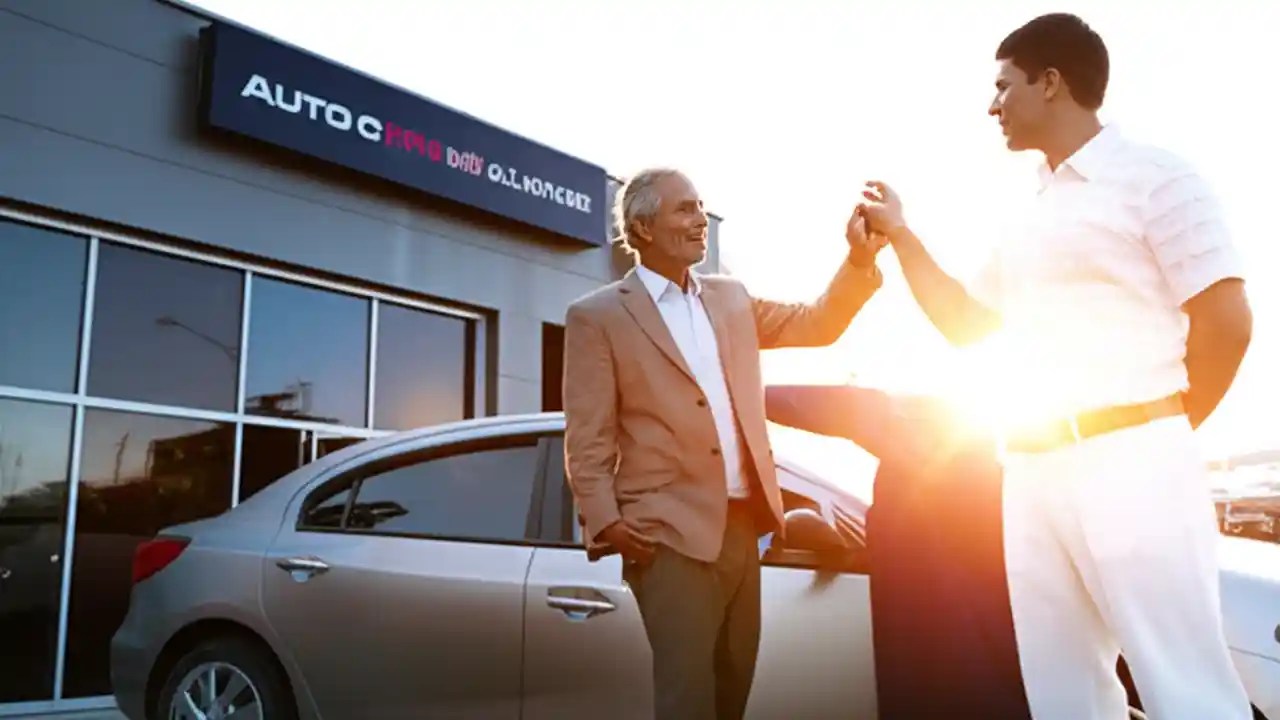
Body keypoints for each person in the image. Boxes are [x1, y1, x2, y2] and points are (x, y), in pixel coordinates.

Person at [856, 12, 1254, 720]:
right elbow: (969, 324)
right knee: (1063, 693)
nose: (992, 105)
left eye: (1003, 86)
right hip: (1033, 469)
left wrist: (1158, 430)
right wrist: (902, 236)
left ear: (1050, 83)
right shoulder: (1027, 214)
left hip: (1136, 459)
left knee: (1181, 685)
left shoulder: (1157, 177)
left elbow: (1228, 323)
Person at [561, 167, 885, 720]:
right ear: (641, 228)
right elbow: (587, 437)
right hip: (666, 537)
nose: (698, 222)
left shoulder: (731, 299)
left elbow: (816, 324)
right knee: (688, 701)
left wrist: (858, 262)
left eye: (699, 207)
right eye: (683, 210)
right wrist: (608, 522)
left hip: (742, 529)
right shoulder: (598, 317)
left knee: (731, 695)